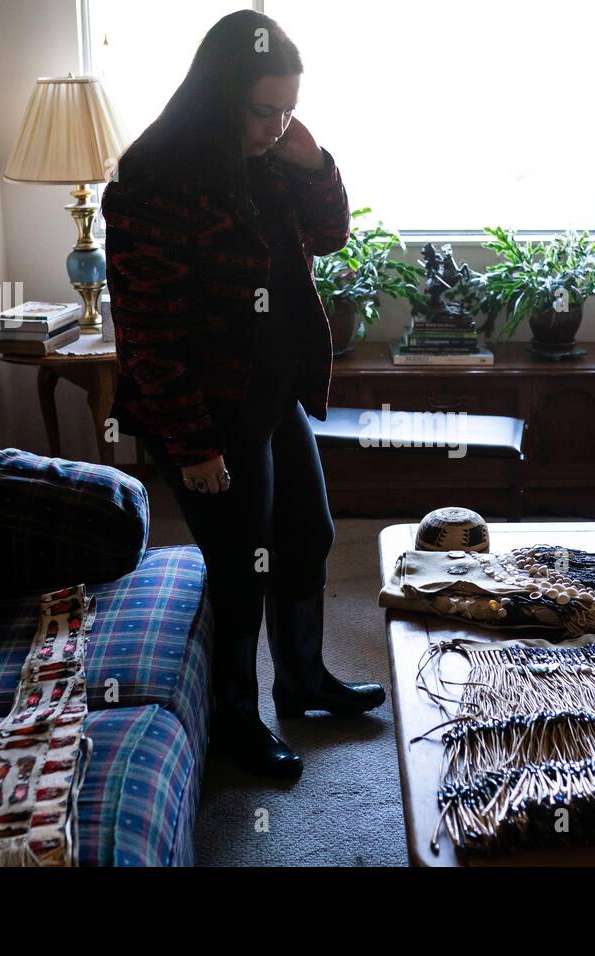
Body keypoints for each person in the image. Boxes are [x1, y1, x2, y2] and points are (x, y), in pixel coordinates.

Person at [101, 10, 385, 780]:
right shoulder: (152, 178)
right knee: (239, 564)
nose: (276, 123)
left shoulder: (267, 158)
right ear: (219, 93)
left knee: (309, 533)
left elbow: (330, 236)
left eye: (288, 107)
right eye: (266, 109)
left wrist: (312, 157)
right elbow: (149, 333)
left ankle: (303, 681)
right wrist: (192, 447)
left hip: (269, 393)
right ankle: (235, 717)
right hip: (205, 409)